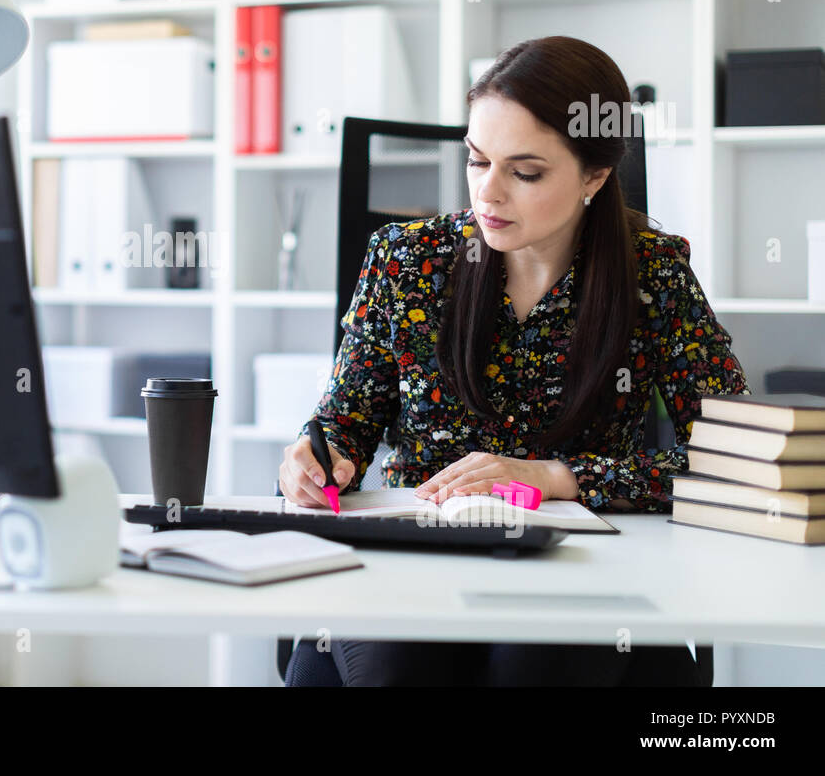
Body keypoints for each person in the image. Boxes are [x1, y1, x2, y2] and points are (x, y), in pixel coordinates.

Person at [280, 35, 751, 687]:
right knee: (399, 669)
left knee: (538, 665)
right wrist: (315, 460)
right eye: (477, 161)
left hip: (581, 562)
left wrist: (561, 477)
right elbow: (344, 425)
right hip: (417, 553)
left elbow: (739, 461)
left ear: (595, 174)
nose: (489, 193)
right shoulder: (404, 260)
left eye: (524, 172)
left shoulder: (656, 273)